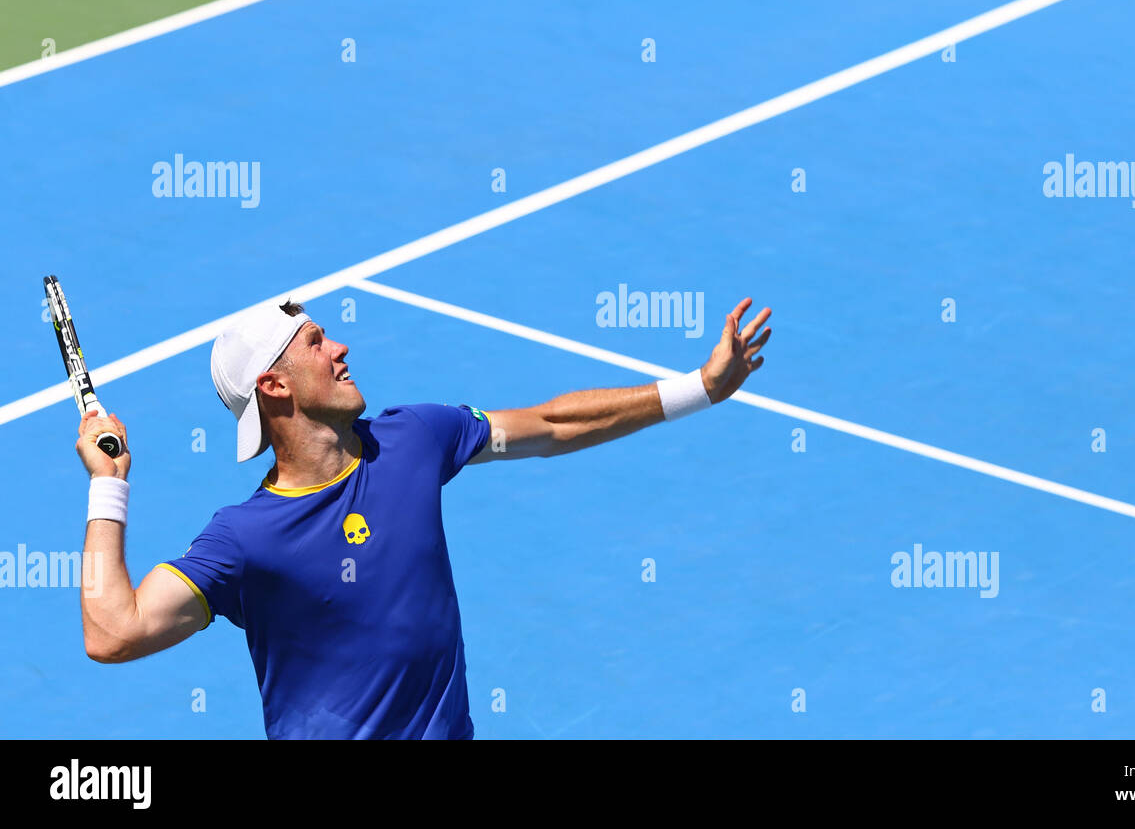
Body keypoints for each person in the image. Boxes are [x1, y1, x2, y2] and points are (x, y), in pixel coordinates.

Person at [76, 296, 772, 739]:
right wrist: (110, 486)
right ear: (275, 385)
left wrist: (699, 388)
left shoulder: (411, 438)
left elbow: (552, 424)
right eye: (316, 341)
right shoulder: (247, 538)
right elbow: (114, 631)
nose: (340, 346)